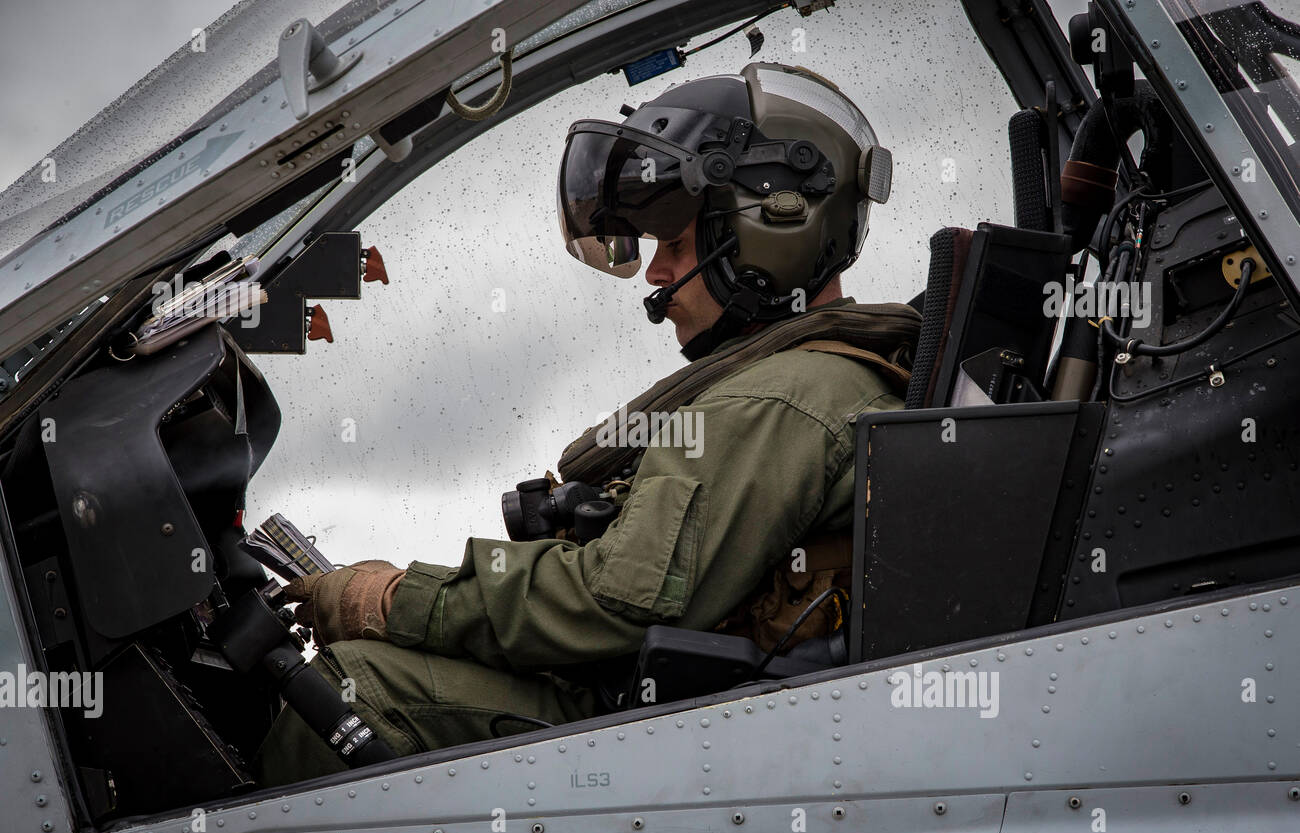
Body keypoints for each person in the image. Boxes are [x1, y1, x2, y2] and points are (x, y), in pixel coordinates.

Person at [254, 61, 921, 784]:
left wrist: (388, 598)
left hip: (684, 736)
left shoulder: (772, 401)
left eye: (673, 244)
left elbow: (613, 601)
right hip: (696, 714)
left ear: (775, 220)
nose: (656, 274)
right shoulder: (807, 379)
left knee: (357, 689)